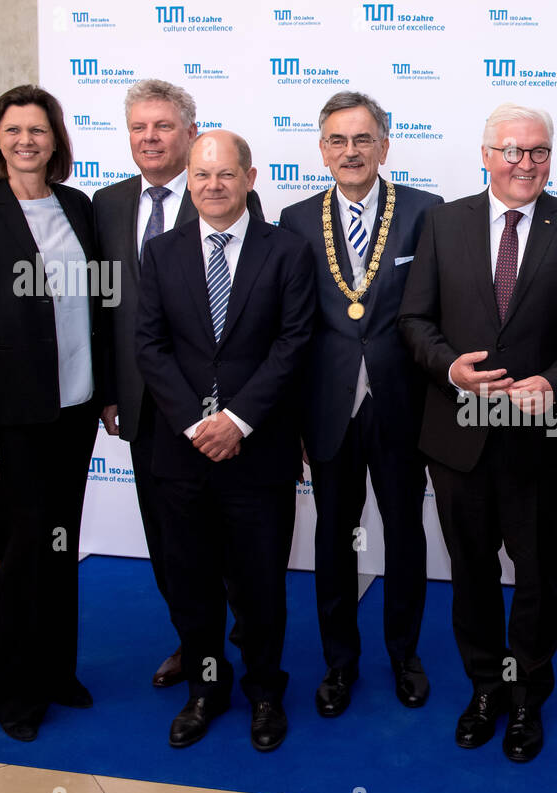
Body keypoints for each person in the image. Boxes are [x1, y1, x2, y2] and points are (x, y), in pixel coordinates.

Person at [398, 103, 557, 762]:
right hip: (460, 433)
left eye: (538, 151)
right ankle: (485, 687)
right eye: (511, 150)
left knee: (539, 576)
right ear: (485, 155)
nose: (524, 163)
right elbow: (414, 320)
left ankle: (525, 699)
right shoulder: (440, 222)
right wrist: (449, 367)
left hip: (539, 434)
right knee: (472, 573)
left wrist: (551, 381)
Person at [0, 85, 114, 742]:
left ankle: (58, 672)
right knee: (23, 553)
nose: (26, 141)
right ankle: (17, 692)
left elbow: (98, 307)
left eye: (38, 130)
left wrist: (109, 392)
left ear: (55, 140)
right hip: (13, 416)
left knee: (62, 544)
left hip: (74, 408)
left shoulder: (77, 206)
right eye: (14, 130)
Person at [135, 130, 316, 751]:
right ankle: (207, 690)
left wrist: (236, 421)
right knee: (192, 584)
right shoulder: (159, 254)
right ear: (189, 179)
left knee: (262, 584)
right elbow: (150, 347)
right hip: (181, 453)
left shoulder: (288, 252)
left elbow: (294, 345)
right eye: (201, 175)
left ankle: (266, 693)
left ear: (250, 177)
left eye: (226, 174)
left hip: (258, 451)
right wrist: (197, 423)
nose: (213, 185)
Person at [93, 79, 265, 690]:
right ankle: (193, 645)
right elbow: (105, 309)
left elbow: (253, 315)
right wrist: (109, 389)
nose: (150, 138)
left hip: (225, 412)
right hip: (147, 408)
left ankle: (246, 639)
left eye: (163, 126)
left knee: (239, 544)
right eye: (139, 127)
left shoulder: (223, 194)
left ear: (190, 134)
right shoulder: (106, 204)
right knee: (172, 543)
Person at [278, 92, 442, 717]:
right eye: (338, 141)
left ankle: (405, 654)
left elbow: (435, 313)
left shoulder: (427, 214)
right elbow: (288, 329)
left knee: (405, 533)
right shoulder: (293, 220)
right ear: (322, 149)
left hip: (403, 406)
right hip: (327, 409)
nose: (351, 152)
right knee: (334, 538)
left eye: (363, 139)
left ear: (384, 145)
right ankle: (338, 663)